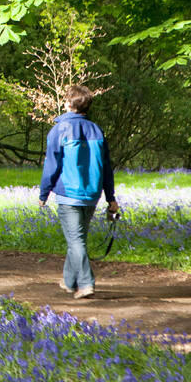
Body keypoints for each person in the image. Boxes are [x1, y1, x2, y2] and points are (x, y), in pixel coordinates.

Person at [38, 84, 119, 299]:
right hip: (92, 194)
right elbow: (106, 167)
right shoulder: (97, 130)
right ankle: (68, 281)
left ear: (68, 104)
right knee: (78, 239)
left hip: (68, 194)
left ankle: (85, 283)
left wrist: (43, 193)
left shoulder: (59, 129)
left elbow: (52, 165)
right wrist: (110, 198)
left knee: (75, 241)